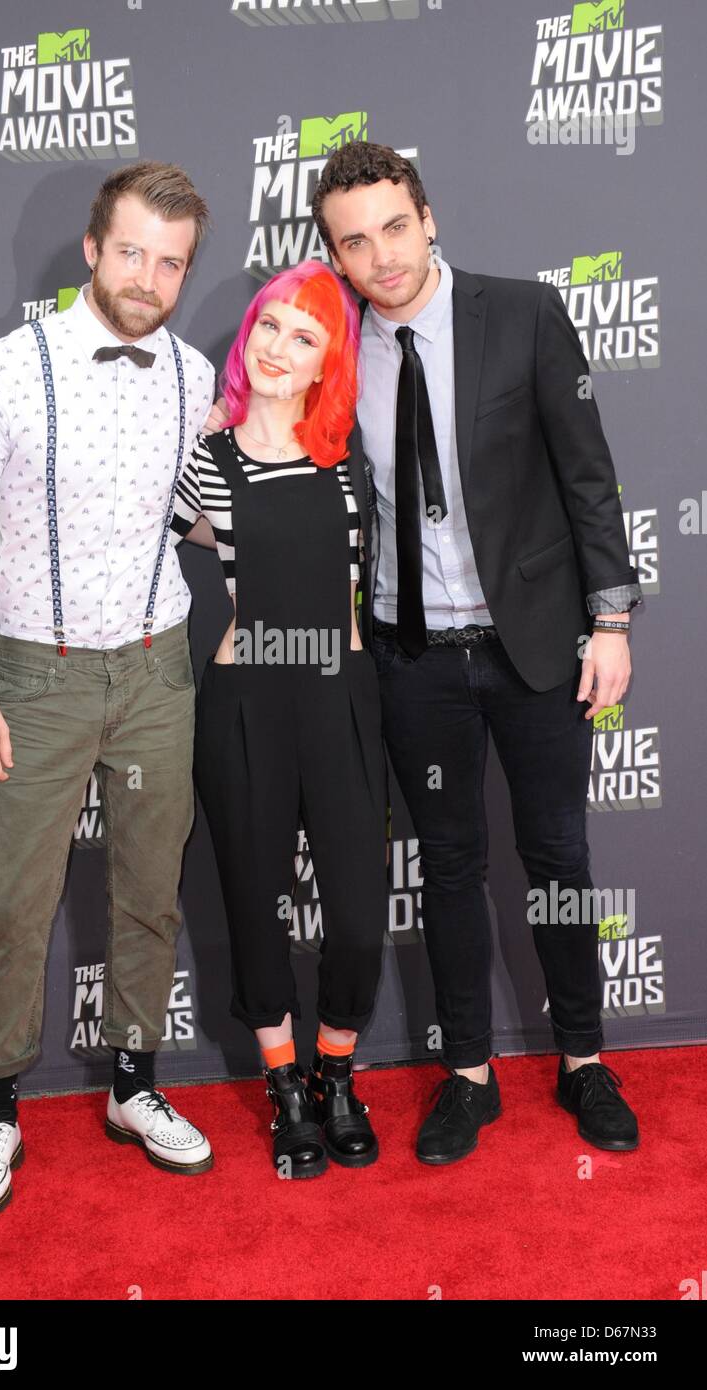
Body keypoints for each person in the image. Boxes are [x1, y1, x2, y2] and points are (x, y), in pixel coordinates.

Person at [302, 141, 642, 1164]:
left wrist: (612, 622)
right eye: (353, 241)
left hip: (534, 642)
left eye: (394, 227)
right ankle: (467, 1074)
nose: (382, 256)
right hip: (413, 657)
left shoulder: (525, 313)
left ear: (428, 216)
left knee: (558, 857)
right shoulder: (333, 353)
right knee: (447, 867)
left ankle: (583, 1058)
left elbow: (589, 477)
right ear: (335, 255)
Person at [0, 161, 217, 1223]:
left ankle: (137, 1087)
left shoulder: (193, 374)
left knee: (149, 889)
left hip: (155, 666)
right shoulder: (6, 370)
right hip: (32, 676)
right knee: (15, 904)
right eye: (131, 250)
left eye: (171, 261)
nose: (147, 276)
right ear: (91, 250)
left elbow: (195, 515)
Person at [172, 262, 389, 1178]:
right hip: (245, 702)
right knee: (254, 909)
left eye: (306, 337)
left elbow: (358, 592)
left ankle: (336, 1071)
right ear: (248, 336)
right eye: (270, 326)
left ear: (324, 364)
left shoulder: (348, 468)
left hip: (336, 695)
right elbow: (164, 545)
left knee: (355, 912)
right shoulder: (205, 462)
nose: (278, 348)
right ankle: (285, 1090)